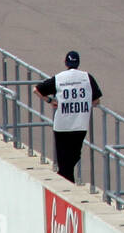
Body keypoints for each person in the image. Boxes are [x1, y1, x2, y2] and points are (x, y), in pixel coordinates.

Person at [35, 51, 102, 183]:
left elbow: (36, 89)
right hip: (80, 124)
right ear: (78, 63)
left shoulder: (59, 78)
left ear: (66, 63)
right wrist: (85, 105)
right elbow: (97, 100)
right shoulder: (87, 77)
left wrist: (50, 101)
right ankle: (67, 182)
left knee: (63, 161)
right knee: (73, 157)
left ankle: (65, 183)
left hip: (62, 125)